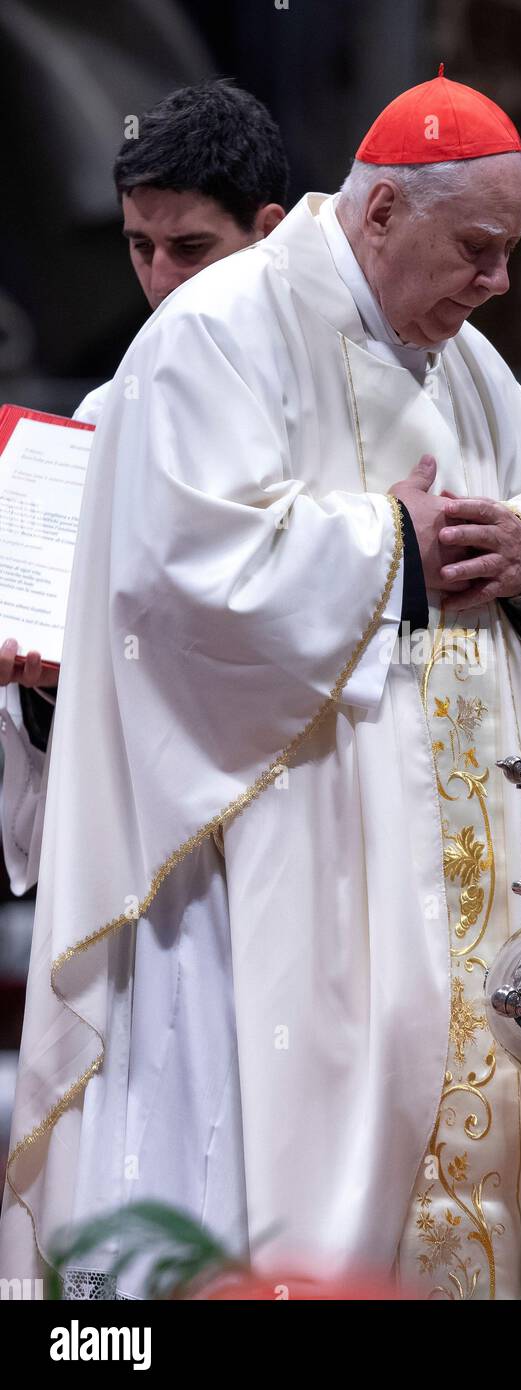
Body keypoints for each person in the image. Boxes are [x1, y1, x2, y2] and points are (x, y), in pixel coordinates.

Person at [0, 69, 521, 1301]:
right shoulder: (214, 336)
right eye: (476, 252)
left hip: (453, 879)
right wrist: (391, 548)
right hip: (266, 873)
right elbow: (187, 582)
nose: (497, 283)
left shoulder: (468, 362)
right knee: (272, 1156)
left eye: (510, 252)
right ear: (379, 215)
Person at [0, 78, 290, 895]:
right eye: (139, 247)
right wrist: (52, 687)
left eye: (190, 249)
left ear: (269, 233)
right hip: (156, 866)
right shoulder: (98, 420)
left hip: (302, 836)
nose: (160, 280)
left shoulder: (333, 403)